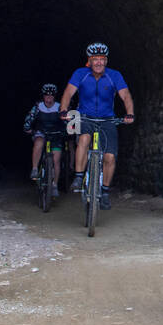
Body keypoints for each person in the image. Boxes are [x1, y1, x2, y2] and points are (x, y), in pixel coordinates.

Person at [60, 42, 134, 209]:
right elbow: (68, 93)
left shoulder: (114, 75)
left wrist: (129, 114)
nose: (99, 62)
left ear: (106, 61)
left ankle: (105, 191)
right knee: (84, 139)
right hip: (85, 116)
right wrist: (64, 109)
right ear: (89, 61)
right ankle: (79, 177)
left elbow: (126, 96)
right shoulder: (81, 74)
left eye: (102, 59)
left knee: (110, 157)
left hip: (107, 119)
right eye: (95, 59)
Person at [24, 83, 65, 197]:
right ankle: (35, 169)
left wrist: (66, 131)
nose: (49, 97)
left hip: (56, 135)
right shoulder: (38, 106)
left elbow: (67, 121)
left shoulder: (60, 107)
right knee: (38, 142)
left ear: (54, 96)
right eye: (46, 95)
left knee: (56, 160)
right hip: (41, 132)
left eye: (51, 95)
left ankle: (55, 185)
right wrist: (27, 128)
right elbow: (30, 117)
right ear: (43, 96)